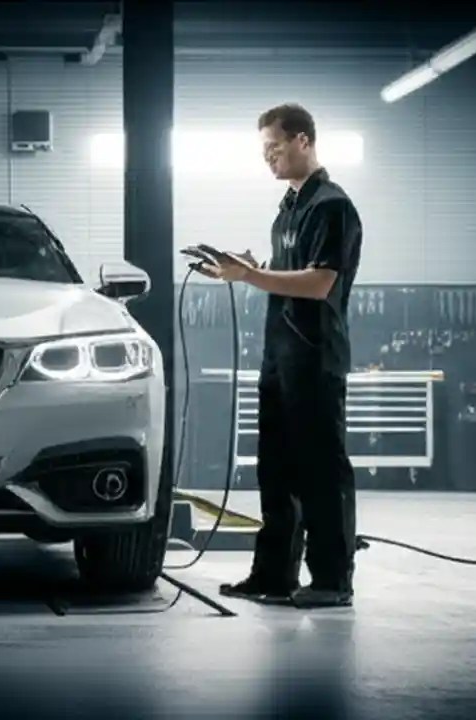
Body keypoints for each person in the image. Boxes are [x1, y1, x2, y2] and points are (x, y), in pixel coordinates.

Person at [192, 103, 363, 608]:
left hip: (315, 358)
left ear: (304, 140)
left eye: (275, 146)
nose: (268, 157)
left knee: (320, 472)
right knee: (276, 470)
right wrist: (250, 265)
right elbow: (286, 273)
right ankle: (274, 575)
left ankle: (333, 581)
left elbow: (319, 281)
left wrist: (249, 276)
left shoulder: (330, 206)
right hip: (279, 358)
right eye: (263, 149)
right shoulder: (287, 209)